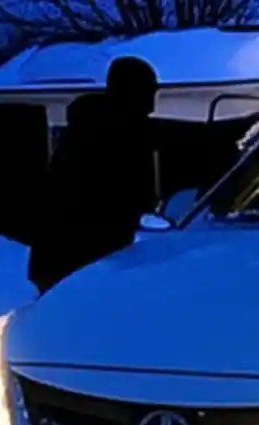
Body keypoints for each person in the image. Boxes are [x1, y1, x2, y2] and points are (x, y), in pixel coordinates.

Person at [27, 56, 160, 294]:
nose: (153, 100)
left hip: (70, 258)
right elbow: (125, 198)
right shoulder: (115, 136)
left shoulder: (93, 127)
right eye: (149, 90)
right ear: (132, 92)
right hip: (80, 259)